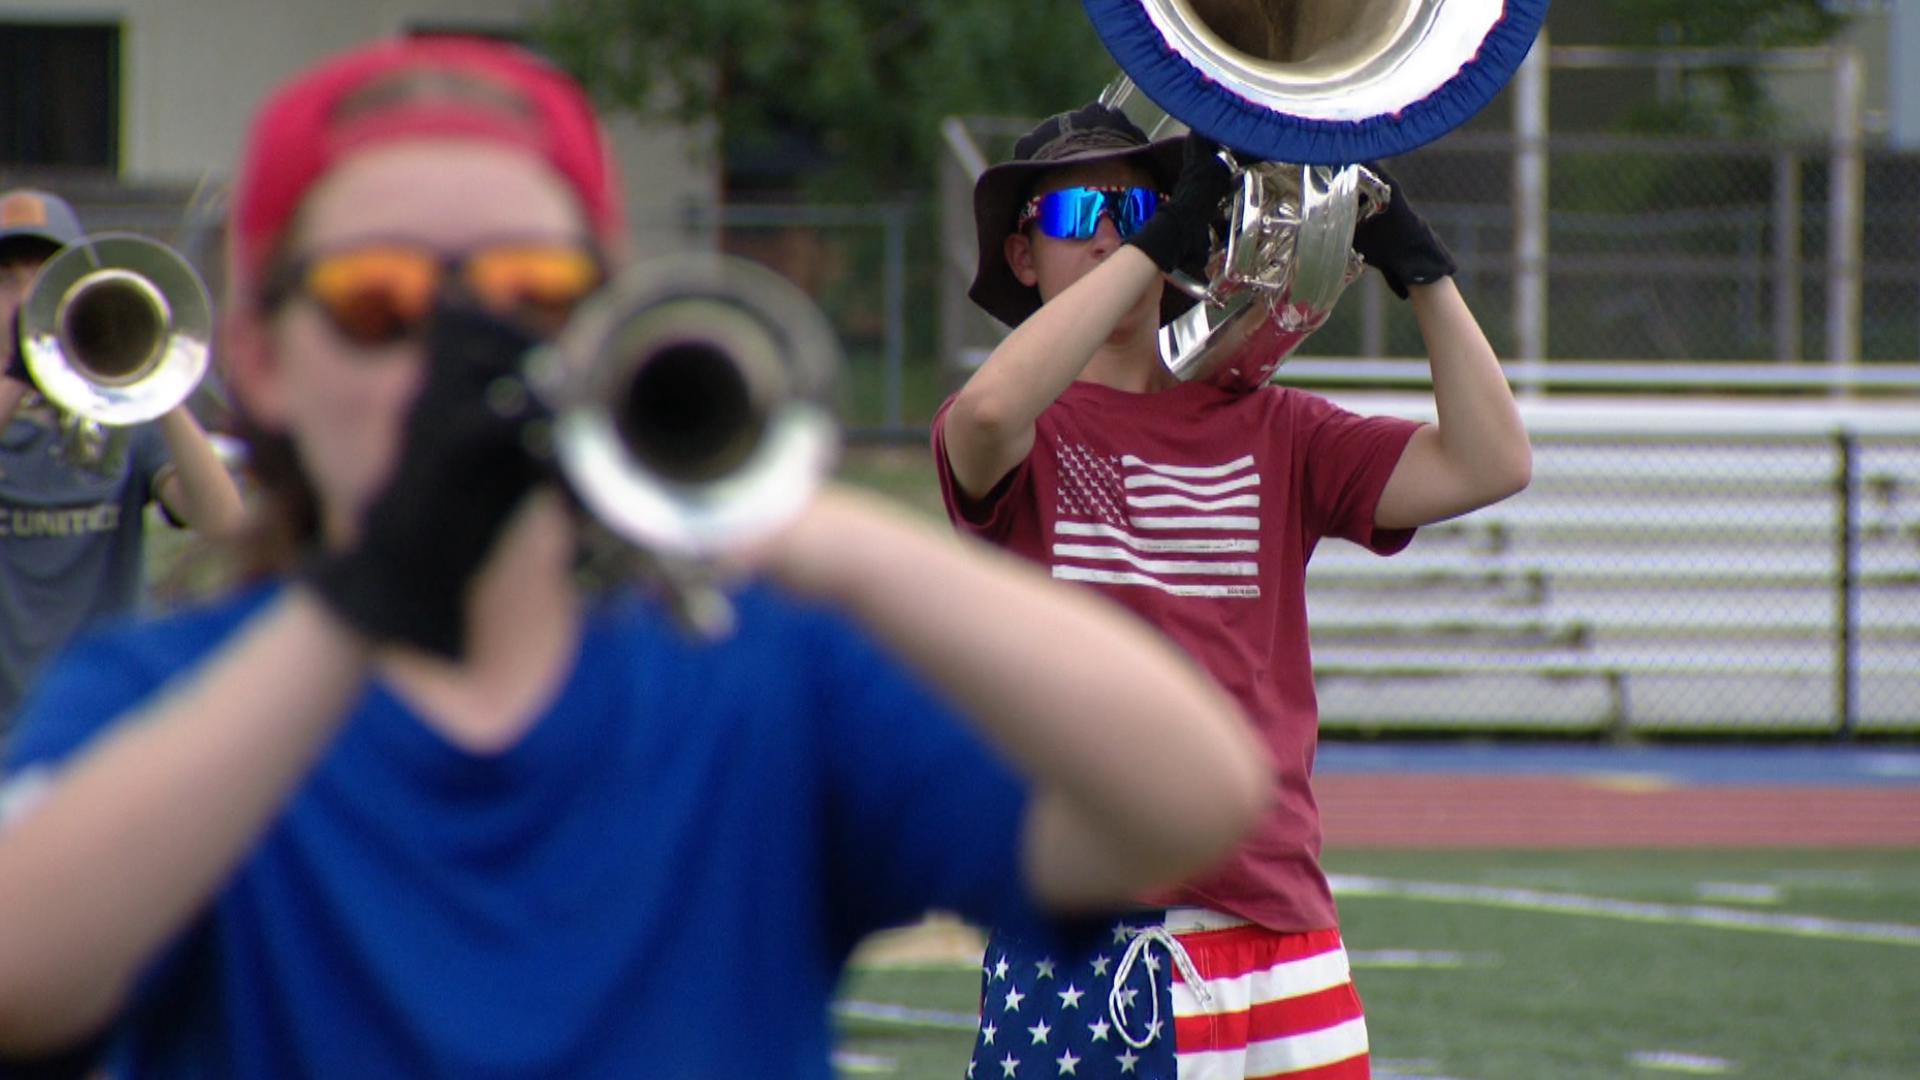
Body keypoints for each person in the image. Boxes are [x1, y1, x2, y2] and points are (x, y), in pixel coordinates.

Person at [0, 38, 1273, 1080]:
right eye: (380, 303)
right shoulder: (158, 699)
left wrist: (782, 516)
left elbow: (1186, 800)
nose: (460, 351)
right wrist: (365, 604)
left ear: (603, 328)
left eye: (532, 292)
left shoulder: (757, 679)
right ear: (263, 362)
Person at [934, 104, 1533, 1079]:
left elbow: (1492, 460)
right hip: (1099, 936)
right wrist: (1157, 239)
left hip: (1287, 924)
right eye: (1078, 213)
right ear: (1021, 254)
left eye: (1135, 208)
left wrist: (1422, 271)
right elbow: (993, 407)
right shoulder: (1015, 429)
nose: (1108, 234)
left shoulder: (1276, 426)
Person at [0, 189, 247, 726]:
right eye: (5, 281)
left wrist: (154, 380)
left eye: (43, 277)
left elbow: (226, 525)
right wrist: (17, 377)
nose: (23, 299)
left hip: (106, 718)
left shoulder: (120, 415)